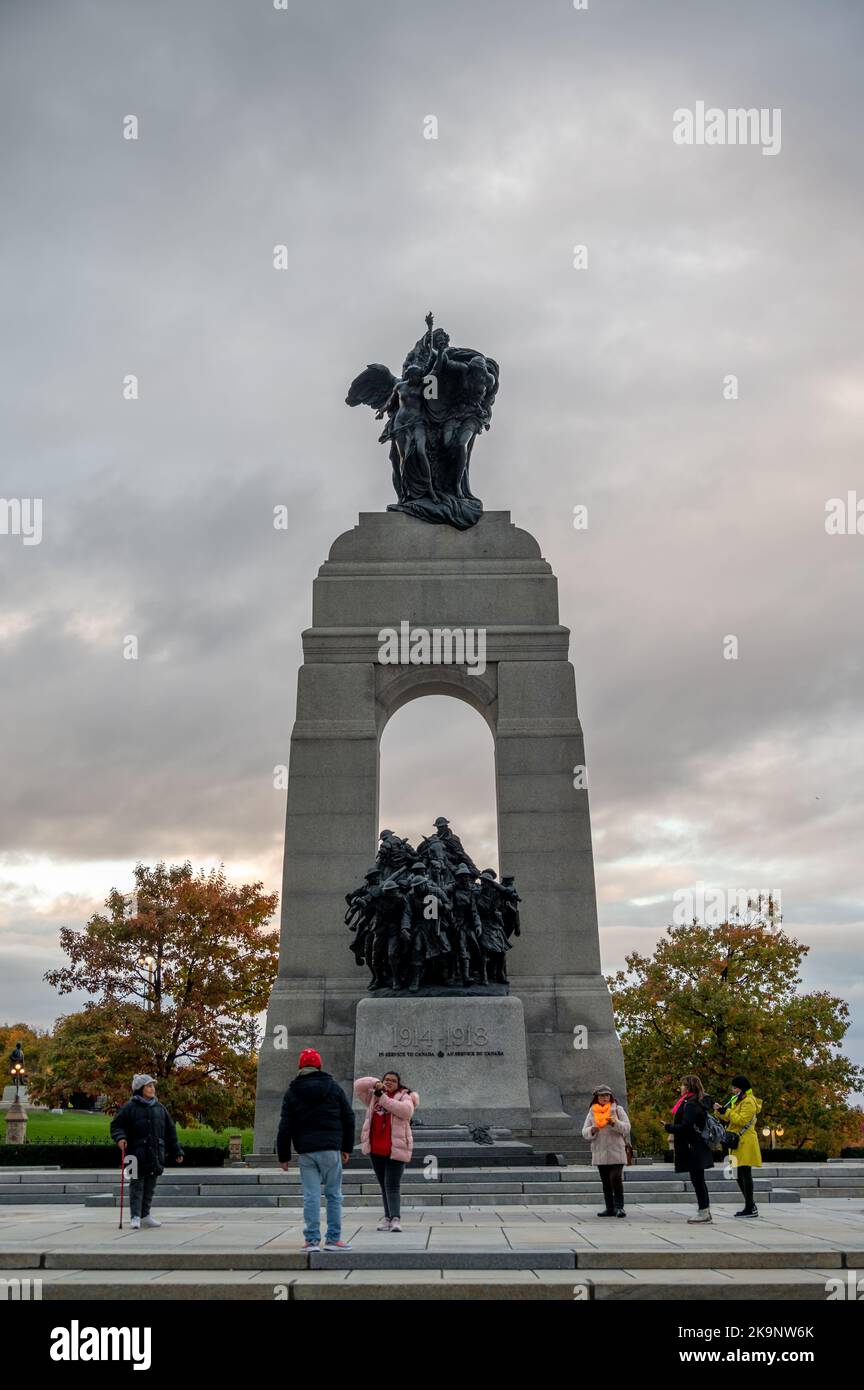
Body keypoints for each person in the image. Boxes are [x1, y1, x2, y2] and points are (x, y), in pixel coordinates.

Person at [277, 1048, 355, 1253]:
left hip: (307, 1151)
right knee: (334, 1195)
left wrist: (283, 1156)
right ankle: (333, 1239)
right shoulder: (334, 1088)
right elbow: (349, 1118)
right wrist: (346, 1147)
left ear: (300, 1067)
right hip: (331, 1149)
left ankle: (311, 1241)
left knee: (311, 1196)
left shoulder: (292, 1091)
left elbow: (285, 1126)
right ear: (319, 1066)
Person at [110, 1074, 183, 1230]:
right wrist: (120, 1138)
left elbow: (170, 1131)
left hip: (155, 1152)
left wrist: (176, 1151)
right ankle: (135, 1216)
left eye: (153, 1086)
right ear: (140, 1089)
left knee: (150, 1186)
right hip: (132, 1154)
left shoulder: (160, 1108)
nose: (152, 1089)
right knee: (136, 1185)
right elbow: (116, 1126)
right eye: (149, 1086)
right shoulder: (129, 1107)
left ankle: (145, 1215)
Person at [353, 1071, 419, 1232]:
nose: (389, 1082)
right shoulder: (372, 1096)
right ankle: (387, 1217)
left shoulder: (405, 1096)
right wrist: (375, 1083)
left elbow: (406, 1112)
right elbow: (358, 1085)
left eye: (393, 1081)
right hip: (376, 1148)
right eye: (386, 1080)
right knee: (384, 1185)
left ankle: (395, 1218)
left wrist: (383, 1098)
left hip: (396, 1148)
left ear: (399, 1084)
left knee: (392, 1185)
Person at [665, 1073, 715, 1223]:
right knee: (698, 1179)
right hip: (697, 1146)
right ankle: (704, 1210)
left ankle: (704, 1212)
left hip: (693, 1146)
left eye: (682, 1085)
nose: (680, 1088)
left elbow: (687, 1127)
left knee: (698, 1180)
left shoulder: (691, 1103)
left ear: (688, 1087)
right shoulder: (697, 1101)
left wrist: (670, 1127)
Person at [715, 1074, 763, 1217]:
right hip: (737, 1141)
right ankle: (750, 1204)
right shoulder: (738, 1100)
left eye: (735, 1087)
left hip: (745, 1141)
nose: (733, 1090)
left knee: (745, 1173)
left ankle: (750, 1206)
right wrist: (719, 1111)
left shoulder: (749, 1101)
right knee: (737, 1173)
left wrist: (727, 1112)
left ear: (741, 1088)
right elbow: (731, 1119)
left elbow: (742, 1120)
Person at [581, 1084, 631, 1217]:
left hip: (616, 1150)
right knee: (606, 1181)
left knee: (615, 1178)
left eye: (607, 1095)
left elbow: (627, 1128)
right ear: (597, 1097)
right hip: (600, 1150)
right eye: (602, 1095)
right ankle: (609, 1208)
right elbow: (584, 1131)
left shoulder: (618, 1109)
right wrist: (592, 1130)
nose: (605, 1097)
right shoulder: (592, 1111)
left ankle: (619, 1207)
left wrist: (614, 1123)